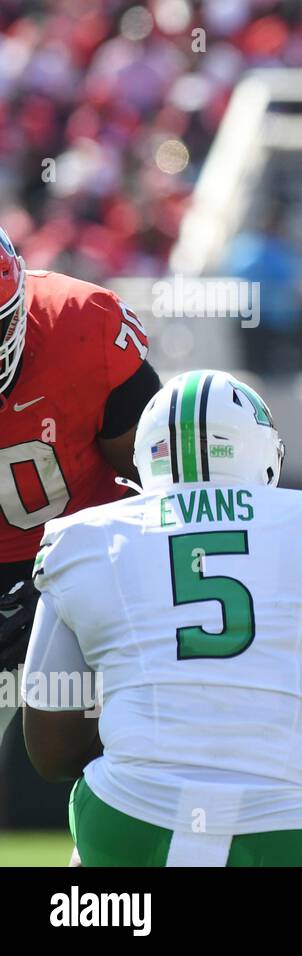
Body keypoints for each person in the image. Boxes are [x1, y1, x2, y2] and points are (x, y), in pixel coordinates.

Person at [22, 370, 302, 866]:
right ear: (264, 451)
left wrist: (143, 737)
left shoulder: (86, 539)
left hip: (131, 821)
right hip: (295, 830)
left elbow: (49, 745)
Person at [0, 225, 162, 747]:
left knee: (128, 738)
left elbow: (158, 476)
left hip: (87, 554)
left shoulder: (82, 325)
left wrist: (89, 564)